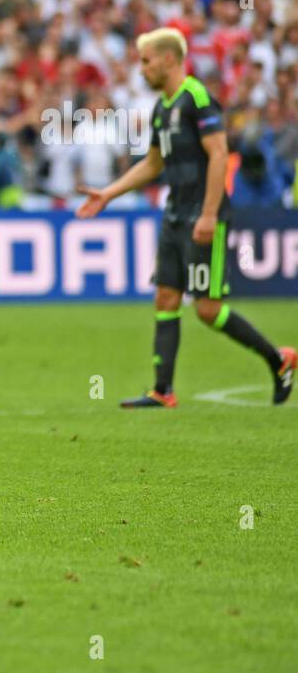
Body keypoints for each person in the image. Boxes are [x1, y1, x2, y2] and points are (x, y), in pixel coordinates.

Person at [77, 27, 295, 407]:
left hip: (202, 215)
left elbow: (219, 154)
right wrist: (109, 194)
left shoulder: (196, 97)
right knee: (165, 297)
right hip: (175, 213)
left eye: (146, 61)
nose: (141, 70)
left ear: (168, 59)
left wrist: (209, 213)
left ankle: (279, 360)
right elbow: (153, 164)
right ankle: (163, 391)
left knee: (207, 309)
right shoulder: (162, 108)